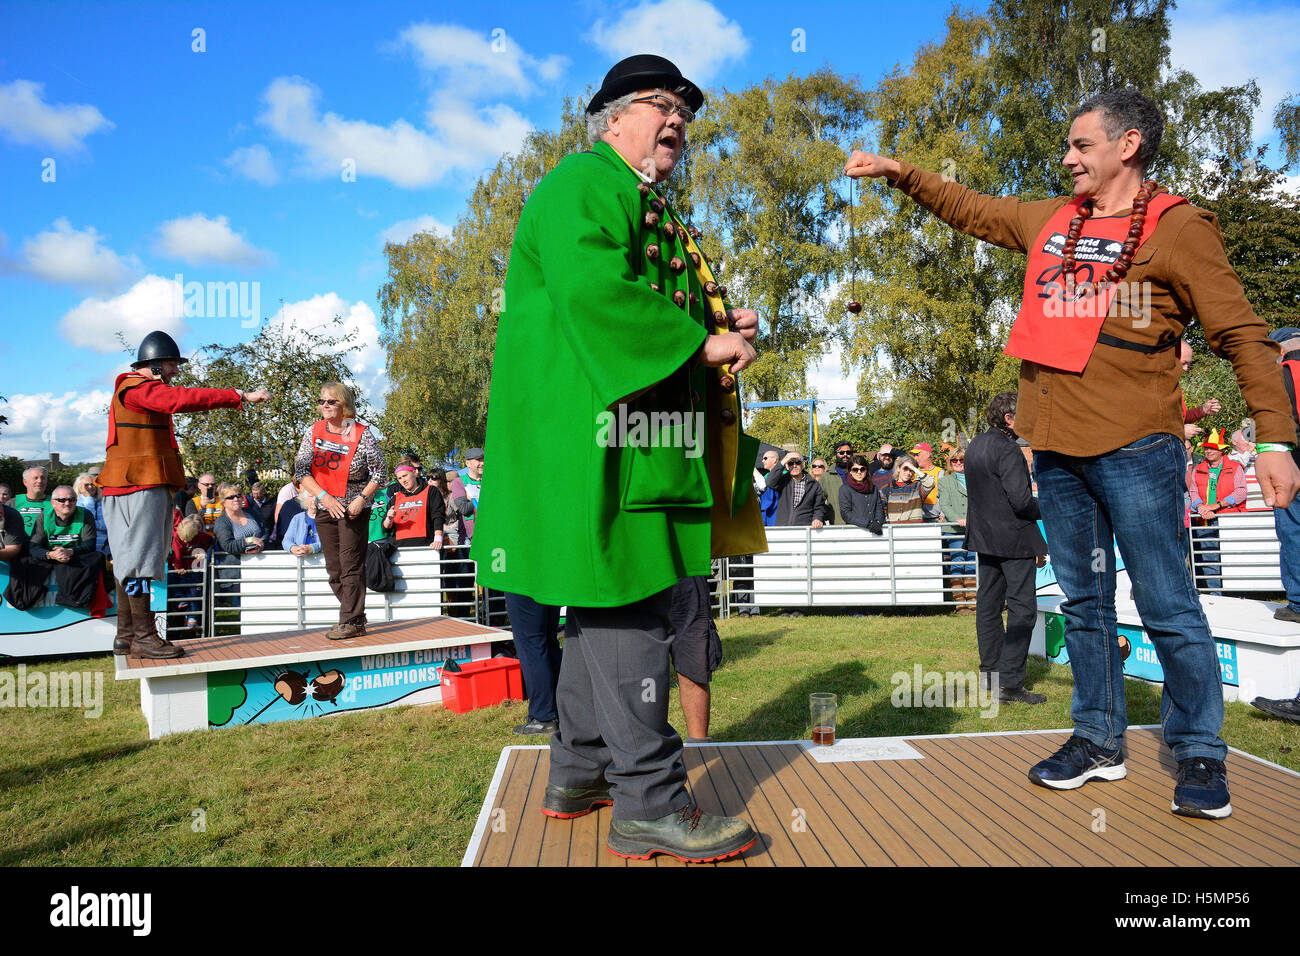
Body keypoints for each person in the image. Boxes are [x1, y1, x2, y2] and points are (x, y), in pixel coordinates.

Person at [846, 87, 1300, 819]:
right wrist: (903, 174)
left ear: (1128, 146)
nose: (1067, 158)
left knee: (1167, 605)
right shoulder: (1052, 218)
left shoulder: (1180, 228)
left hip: (1139, 449)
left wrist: (1274, 438)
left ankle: (1199, 751)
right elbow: (972, 207)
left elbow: (1243, 335)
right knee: (1083, 605)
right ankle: (1097, 739)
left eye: (1081, 145)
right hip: (1054, 450)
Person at [469, 53, 764, 862]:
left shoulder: (634, 194)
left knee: (598, 600)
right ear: (611, 118)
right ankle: (652, 803)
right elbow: (596, 290)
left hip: (626, 435)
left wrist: (713, 314)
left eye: (684, 111)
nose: (675, 119)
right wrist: (701, 339)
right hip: (604, 437)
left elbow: (642, 291)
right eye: (659, 104)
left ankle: (578, 772)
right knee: (629, 599)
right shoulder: (584, 182)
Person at [96, 329, 270, 658]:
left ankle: (127, 635)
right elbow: (180, 400)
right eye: (172, 365)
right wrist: (238, 396)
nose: (176, 372)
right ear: (156, 365)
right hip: (141, 485)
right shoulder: (137, 388)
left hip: (128, 484)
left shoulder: (133, 389)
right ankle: (145, 637)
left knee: (128, 560)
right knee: (142, 559)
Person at [964, 394, 1049, 702]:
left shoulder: (975, 445)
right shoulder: (1009, 450)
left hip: (986, 539)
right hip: (1012, 540)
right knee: (1022, 611)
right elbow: (1022, 502)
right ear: (1010, 419)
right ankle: (1009, 683)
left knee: (987, 608)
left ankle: (991, 676)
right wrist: (1051, 505)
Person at [294, 382, 387, 640]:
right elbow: (301, 471)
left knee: (350, 565)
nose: (325, 405)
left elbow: (381, 471)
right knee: (334, 569)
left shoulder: (362, 434)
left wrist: (361, 498)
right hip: (326, 504)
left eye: (331, 401)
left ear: (344, 405)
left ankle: (350, 620)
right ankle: (356, 615)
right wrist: (323, 496)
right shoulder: (313, 431)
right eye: (322, 401)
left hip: (354, 507)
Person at [1187, 429, 1247, 595]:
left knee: (1231, 556)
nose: (1208, 451)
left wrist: (1217, 505)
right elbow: (1193, 492)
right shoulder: (1198, 469)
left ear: (1221, 450)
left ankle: (1235, 594)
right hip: (1204, 519)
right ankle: (1215, 594)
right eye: (1206, 448)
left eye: (1212, 448)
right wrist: (1201, 507)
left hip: (1229, 518)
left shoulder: (1235, 467)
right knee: (1209, 557)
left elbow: (1241, 492)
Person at [28, 485, 108, 608]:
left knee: (96, 557)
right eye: (62, 500)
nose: (67, 503)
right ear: (53, 503)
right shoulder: (43, 516)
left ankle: (78, 599)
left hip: (74, 555)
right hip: (51, 555)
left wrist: (70, 551)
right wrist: (51, 555)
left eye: (72, 500)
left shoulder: (85, 514)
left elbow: (89, 544)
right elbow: (33, 546)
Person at [669, 574, 723, 742]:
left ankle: (699, 747)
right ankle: (644, 751)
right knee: (643, 677)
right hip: (637, 574)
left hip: (686, 572)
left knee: (694, 670)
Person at [1270, 325, 1300, 624]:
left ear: (1279, 351)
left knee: (1293, 531)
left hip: (1293, 464)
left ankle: (1299, 604)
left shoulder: (1280, 376)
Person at [504, 592, 564, 736]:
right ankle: (558, 710)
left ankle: (544, 717)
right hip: (548, 578)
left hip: (524, 579)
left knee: (531, 645)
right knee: (548, 641)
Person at [936, 447, 976, 614]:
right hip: (954, 528)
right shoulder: (945, 481)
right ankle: (960, 602)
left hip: (974, 527)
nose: (959, 463)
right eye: (955, 460)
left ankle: (973, 600)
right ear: (950, 463)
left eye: (962, 460)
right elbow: (944, 504)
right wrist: (957, 519)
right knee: (958, 561)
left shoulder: (976, 479)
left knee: (972, 563)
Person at [382, 461, 446, 549]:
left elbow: (438, 516)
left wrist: (438, 539)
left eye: (405, 476)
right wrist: (389, 519)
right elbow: (385, 529)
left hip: (426, 545)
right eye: (399, 478)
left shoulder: (430, 491)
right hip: (399, 548)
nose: (403, 480)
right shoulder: (396, 498)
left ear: (414, 473)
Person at [766, 452, 828, 527]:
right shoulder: (783, 481)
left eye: (797, 462)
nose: (794, 465)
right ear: (786, 465)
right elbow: (769, 482)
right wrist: (783, 461)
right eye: (790, 463)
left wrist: (817, 518)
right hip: (783, 528)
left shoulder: (814, 484)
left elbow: (819, 507)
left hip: (804, 529)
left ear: (803, 464)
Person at [1178, 340, 1221, 440]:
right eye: (1183, 363)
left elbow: (1181, 418)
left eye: (1188, 364)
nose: (1186, 368)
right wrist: (1179, 431)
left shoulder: (1175, 387)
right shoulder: (1151, 385)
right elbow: (1145, 424)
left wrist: (1203, 410)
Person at [838, 454, 885, 536]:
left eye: (862, 469)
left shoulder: (873, 488)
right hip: (854, 532)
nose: (859, 472)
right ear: (850, 471)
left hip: (874, 532)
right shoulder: (845, 489)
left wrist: (878, 522)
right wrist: (867, 524)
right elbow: (846, 513)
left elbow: (879, 508)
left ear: (866, 470)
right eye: (855, 470)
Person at [883, 454, 934, 524]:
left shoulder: (917, 487)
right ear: (898, 468)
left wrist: (915, 469)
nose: (908, 473)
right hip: (894, 530)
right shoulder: (886, 489)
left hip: (913, 529)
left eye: (911, 470)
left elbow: (930, 484)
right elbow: (881, 510)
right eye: (905, 469)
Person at [74, 473, 110, 556]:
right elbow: (87, 526)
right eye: (86, 485)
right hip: (86, 546)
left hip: (106, 544)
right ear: (78, 487)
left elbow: (107, 525)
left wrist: (92, 524)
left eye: (92, 484)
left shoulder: (103, 502)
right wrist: (89, 499)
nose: (90, 487)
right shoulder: (75, 504)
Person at [909, 441, 943, 520]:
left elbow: (946, 496)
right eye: (914, 455)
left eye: (918, 455)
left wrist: (943, 515)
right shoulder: (911, 472)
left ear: (928, 454)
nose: (915, 458)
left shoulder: (940, 472)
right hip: (915, 518)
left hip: (935, 519)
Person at [282, 491, 321, 556]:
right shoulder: (297, 518)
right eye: (311, 496)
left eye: (317, 497)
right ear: (305, 499)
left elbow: (330, 542)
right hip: (300, 560)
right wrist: (293, 548)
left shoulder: (326, 518)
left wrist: (312, 548)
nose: (314, 499)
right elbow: (286, 540)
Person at [14, 465, 50, 536]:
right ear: (25, 482)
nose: (39, 481)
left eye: (43, 478)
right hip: (18, 545)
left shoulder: (56, 502)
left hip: (45, 546)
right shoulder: (13, 503)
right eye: (35, 478)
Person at [459, 448, 484, 543]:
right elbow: (464, 509)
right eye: (478, 460)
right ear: (468, 463)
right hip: (473, 536)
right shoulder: (459, 481)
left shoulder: (492, 481)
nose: (482, 463)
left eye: (484, 459)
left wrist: (472, 498)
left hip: (493, 529)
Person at [811, 457, 843, 524]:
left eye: (820, 466)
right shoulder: (809, 482)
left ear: (825, 468)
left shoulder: (830, 481)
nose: (817, 468)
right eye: (814, 466)